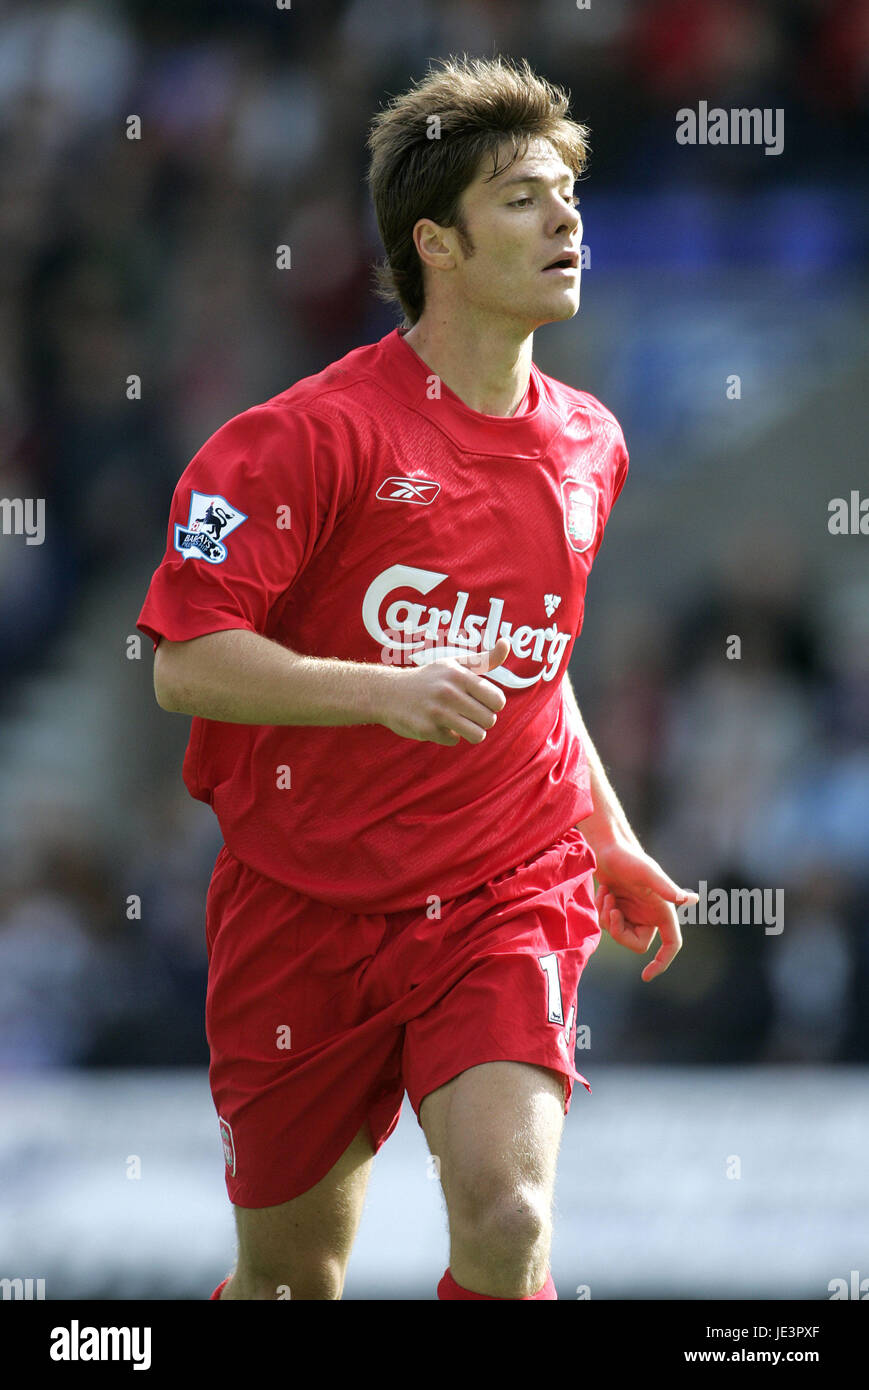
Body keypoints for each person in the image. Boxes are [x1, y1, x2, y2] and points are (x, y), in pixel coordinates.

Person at [137, 54, 696, 1302]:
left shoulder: (589, 442)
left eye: (568, 195)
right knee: (289, 1279)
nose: (565, 220)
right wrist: (379, 689)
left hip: (502, 886)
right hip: (300, 904)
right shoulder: (299, 441)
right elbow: (186, 664)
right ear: (433, 243)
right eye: (521, 199)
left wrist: (605, 831)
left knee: (506, 1215)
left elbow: (533, 672)